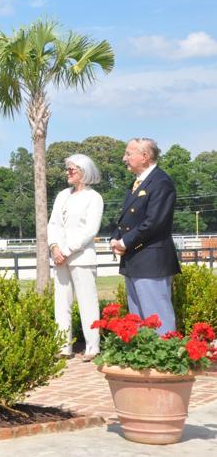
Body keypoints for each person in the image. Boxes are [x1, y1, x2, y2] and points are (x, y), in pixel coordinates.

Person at [110, 138, 180, 336]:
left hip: (152, 260)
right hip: (135, 258)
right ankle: (145, 361)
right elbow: (128, 219)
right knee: (139, 318)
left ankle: (166, 363)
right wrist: (116, 239)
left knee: (157, 317)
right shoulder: (139, 182)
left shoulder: (161, 182)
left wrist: (124, 242)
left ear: (145, 156)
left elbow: (155, 222)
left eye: (128, 153)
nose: (124, 158)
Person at [47, 154, 104, 361]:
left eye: (72, 169)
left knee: (88, 302)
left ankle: (92, 347)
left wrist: (67, 250)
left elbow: (90, 230)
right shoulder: (62, 195)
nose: (68, 172)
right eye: (67, 169)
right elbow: (53, 223)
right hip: (59, 257)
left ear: (84, 172)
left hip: (81, 257)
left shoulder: (94, 198)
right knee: (61, 303)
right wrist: (54, 247)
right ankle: (63, 346)